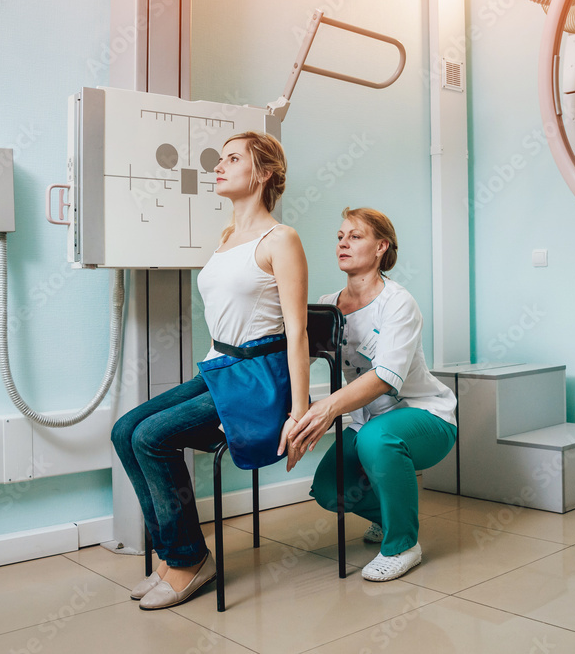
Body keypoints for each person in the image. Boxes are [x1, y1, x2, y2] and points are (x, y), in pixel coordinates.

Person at [111, 131, 309, 610]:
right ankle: (171, 554)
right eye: (220, 158)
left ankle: (188, 560)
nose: (218, 166)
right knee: (124, 431)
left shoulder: (281, 239)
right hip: (222, 367)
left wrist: (300, 413)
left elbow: (298, 332)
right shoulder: (226, 238)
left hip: (258, 378)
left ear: (262, 174)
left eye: (233, 158)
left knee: (150, 437)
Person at [288, 208, 457, 581]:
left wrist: (327, 410)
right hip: (368, 421)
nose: (343, 243)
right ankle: (388, 515)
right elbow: (302, 357)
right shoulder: (328, 303)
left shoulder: (398, 302)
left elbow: (383, 378)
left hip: (425, 417)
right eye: (339, 236)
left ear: (381, 246)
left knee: (377, 437)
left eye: (355, 236)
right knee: (330, 488)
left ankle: (402, 544)